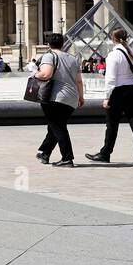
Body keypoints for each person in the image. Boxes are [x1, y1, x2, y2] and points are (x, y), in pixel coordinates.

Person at [86, 29, 133, 165]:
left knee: (112, 125)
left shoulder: (113, 55)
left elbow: (110, 79)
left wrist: (107, 97)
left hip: (118, 92)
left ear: (112, 39)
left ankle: (105, 154)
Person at [32, 33, 84, 167]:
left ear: (49, 45)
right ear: (63, 44)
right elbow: (79, 81)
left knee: (58, 127)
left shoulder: (49, 56)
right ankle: (45, 153)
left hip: (55, 97)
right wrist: (81, 96)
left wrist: (35, 73)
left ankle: (67, 158)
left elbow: (46, 74)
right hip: (71, 98)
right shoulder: (73, 59)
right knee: (55, 126)